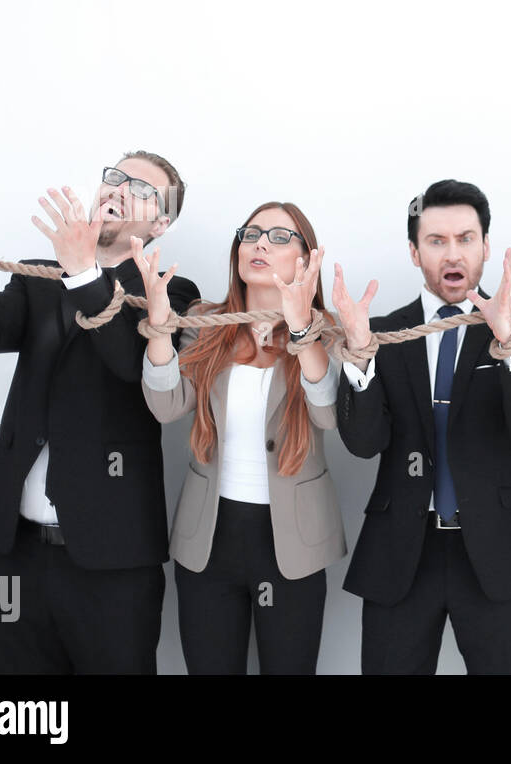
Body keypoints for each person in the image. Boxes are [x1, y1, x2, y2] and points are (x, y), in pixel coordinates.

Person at [0, 152, 199, 673]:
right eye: (114, 176)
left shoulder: (171, 293)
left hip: (114, 560)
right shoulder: (40, 278)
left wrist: (83, 273)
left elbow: (131, 364)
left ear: (160, 223)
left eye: (140, 188)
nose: (119, 188)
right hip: (16, 551)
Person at [332, 179, 511, 674]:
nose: (452, 253)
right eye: (436, 241)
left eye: (465, 238)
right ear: (415, 252)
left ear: (485, 247)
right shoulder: (385, 334)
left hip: (499, 551)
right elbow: (363, 443)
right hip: (403, 555)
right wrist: (359, 357)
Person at [139, 201, 345, 674]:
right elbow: (165, 405)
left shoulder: (326, 333)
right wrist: (158, 329)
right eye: (251, 234)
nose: (259, 244)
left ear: (305, 258)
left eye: (278, 237)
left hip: (293, 541)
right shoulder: (205, 323)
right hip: (208, 539)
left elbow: (330, 413)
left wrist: (299, 330)